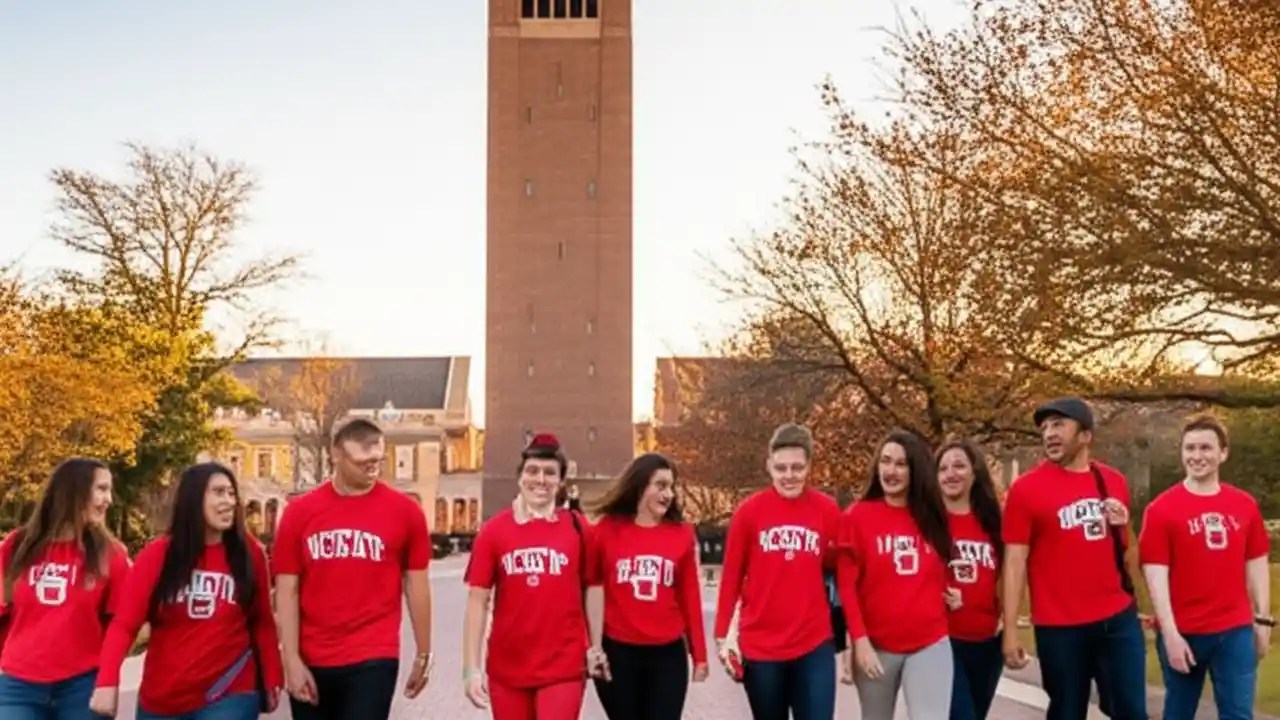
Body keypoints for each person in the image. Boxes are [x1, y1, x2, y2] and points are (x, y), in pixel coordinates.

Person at [90, 462, 284, 719]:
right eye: (217, 492)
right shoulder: (158, 555)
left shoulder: (251, 554)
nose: (228, 501)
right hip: (162, 697)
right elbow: (125, 624)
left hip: (229, 690)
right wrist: (107, 681)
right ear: (193, 499)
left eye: (231, 493)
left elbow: (262, 622)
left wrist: (272, 677)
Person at [272, 418, 434, 720]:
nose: (372, 469)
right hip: (313, 655)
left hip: (373, 653)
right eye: (362, 462)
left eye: (378, 462)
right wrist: (290, 658)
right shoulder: (300, 513)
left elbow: (417, 585)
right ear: (336, 454)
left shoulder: (406, 512)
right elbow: (287, 589)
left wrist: (424, 652)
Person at [1002, 397, 1147, 720]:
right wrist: (1010, 631)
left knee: (1132, 711)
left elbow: (1129, 553)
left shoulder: (1113, 482)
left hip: (1117, 620)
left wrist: (1124, 526)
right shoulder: (1026, 490)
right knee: (1067, 711)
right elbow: (1014, 563)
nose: (1049, 434)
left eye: (1059, 425)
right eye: (1045, 428)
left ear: (1085, 435)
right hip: (1060, 627)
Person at [1139, 415, 1271, 720]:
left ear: (1223, 453)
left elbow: (1256, 563)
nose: (1197, 456)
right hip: (1185, 632)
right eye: (1190, 448)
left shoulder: (1244, 505)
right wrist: (1170, 634)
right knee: (1179, 712)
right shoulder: (1161, 510)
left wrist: (1263, 620)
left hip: (1234, 631)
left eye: (1205, 448)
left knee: (1238, 714)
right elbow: (1155, 577)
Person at [713, 423, 842, 720]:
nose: (789, 476)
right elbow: (732, 574)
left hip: (814, 641)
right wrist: (722, 634)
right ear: (769, 466)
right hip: (761, 646)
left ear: (809, 467)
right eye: (781, 468)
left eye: (797, 467)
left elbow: (843, 565)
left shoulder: (827, 510)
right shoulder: (749, 512)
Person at [461, 432, 592, 720]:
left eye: (550, 473)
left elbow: (595, 589)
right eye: (533, 471)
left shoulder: (577, 529)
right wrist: (471, 669)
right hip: (507, 669)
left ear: (561, 482)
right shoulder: (494, 531)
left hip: (563, 667)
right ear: (520, 477)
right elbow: (477, 601)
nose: (541, 480)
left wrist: (595, 648)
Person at [0, 458, 132, 719]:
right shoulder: (17, 546)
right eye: (101, 489)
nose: (108, 500)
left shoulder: (111, 555)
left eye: (109, 491)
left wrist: (107, 678)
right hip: (18, 686)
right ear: (74, 491)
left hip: (81, 687)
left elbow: (124, 624)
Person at [838, 430, 955, 720]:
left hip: (930, 642)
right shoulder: (857, 517)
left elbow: (940, 570)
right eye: (885, 461)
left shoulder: (934, 517)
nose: (891, 471)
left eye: (901, 464)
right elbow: (846, 586)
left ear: (916, 470)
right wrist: (859, 642)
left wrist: (952, 592)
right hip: (877, 646)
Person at [585, 452, 709, 720]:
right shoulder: (607, 530)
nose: (669, 494)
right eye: (661, 485)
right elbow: (594, 587)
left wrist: (699, 654)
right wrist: (594, 648)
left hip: (667, 654)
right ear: (641, 486)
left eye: (672, 487)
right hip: (618, 652)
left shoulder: (682, 534)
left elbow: (690, 596)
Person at [936, 440, 1004, 720]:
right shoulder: (928, 522)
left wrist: (1009, 621)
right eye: (943, 468)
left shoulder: (994, 522)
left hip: (989, 641)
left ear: (975, 472)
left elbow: (1010, 573)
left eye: (959, 466)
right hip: (943, 641)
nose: (950, 474)